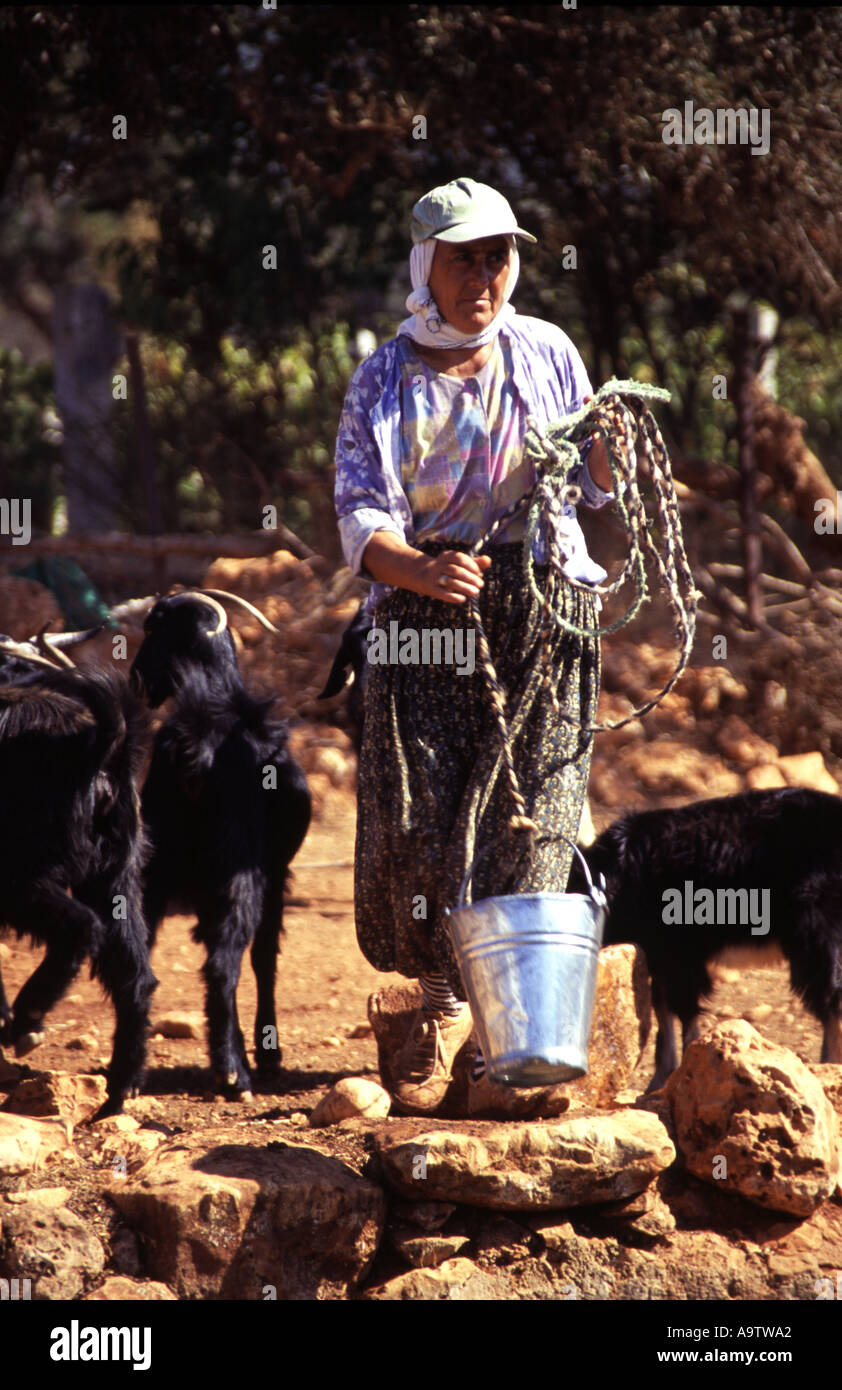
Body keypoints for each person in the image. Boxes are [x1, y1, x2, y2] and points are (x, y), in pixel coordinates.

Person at [334, 177, 615, 1115]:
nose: (484, 277)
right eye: (464, 258)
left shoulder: (546, 353)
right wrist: (416, 572)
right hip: (423, 629)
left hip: (541, 617)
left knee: (531, 822)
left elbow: (596, 490)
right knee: (422, 829)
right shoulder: (384, 378)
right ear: (426, 267)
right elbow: (359, 517)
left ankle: (512, 1048)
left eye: (498, 256)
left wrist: (612, 446)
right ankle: (434, 1008)